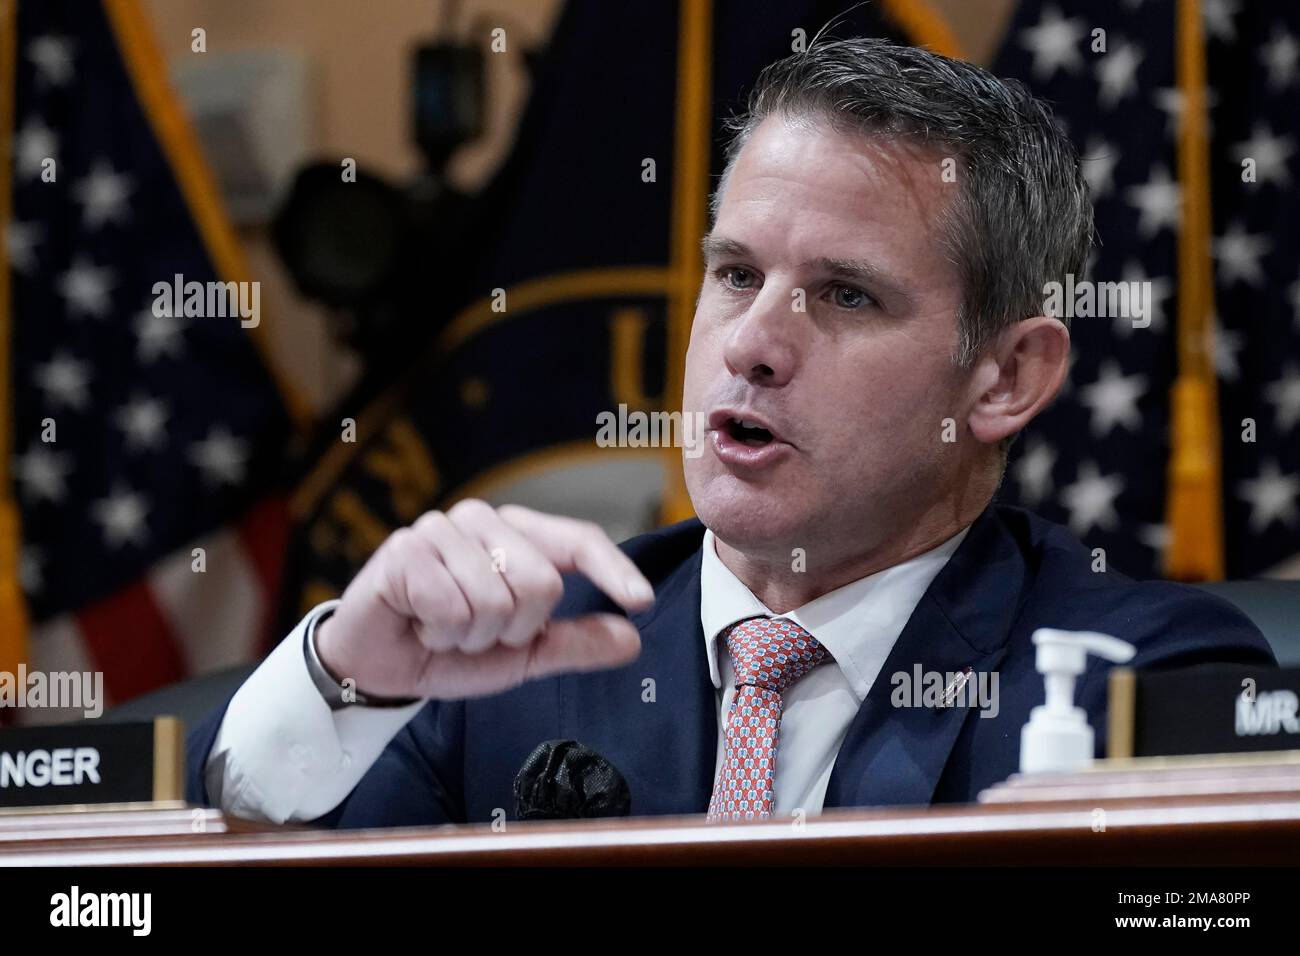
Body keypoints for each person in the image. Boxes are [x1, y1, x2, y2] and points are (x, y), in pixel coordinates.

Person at [187, 37, 1274, 827]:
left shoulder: (1133, 681)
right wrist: (345, 675)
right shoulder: (505, 665)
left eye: (845, 295)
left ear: (1003, 376)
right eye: (737, 273)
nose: (752, 343)